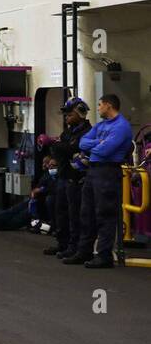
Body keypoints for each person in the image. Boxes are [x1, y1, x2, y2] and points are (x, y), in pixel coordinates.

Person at [68, 93, 133, 269]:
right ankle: (84, 251)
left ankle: (104, 256)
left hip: (108, 171)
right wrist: (98, 142)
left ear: (108, 106)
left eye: (99, 105)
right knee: (86, 213)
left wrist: (95, 147)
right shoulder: (102, 125)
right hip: (93, 171)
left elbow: (105, 151)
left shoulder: (121, 127)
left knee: (105, 214)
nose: (98, 108)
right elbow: (82, 143)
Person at [52, 97, 92, 260]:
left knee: (76, 214)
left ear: (79, 114)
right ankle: (64, 244)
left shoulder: (87, 132)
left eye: (70, 114)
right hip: (64, 175)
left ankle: (75, 247)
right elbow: (61, 149)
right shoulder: (69, 132)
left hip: (77, 179)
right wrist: (62, 148)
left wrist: (61, 146)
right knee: (61, 212)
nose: (66, 117)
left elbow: (71, 148)